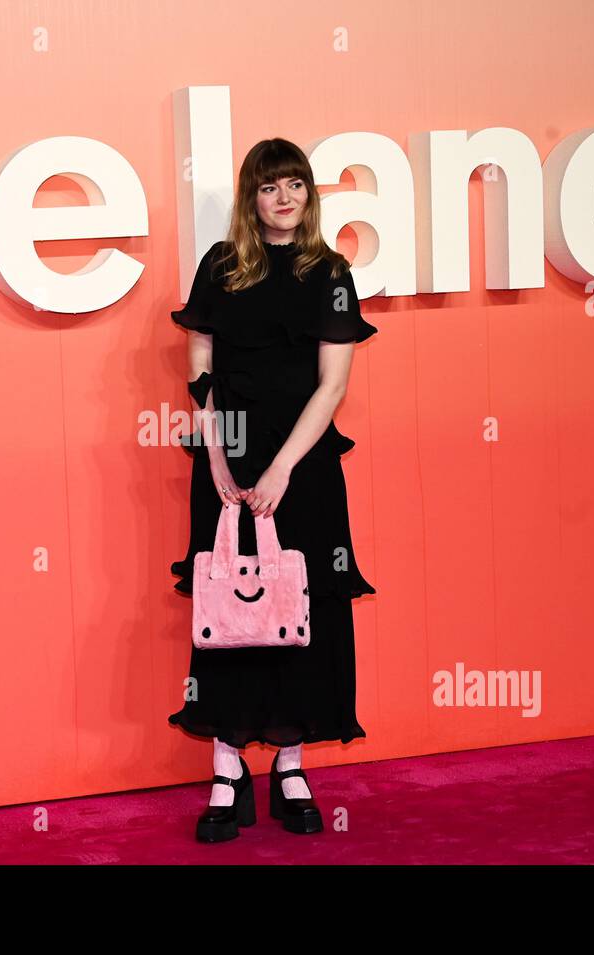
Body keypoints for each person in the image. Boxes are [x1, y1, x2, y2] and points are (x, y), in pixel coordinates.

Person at [168, 138, 378, 842]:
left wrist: (284, 465)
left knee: (300, 605)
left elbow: (335, 384)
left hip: (306, 465)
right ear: (250, 198)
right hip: (227, 460)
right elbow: (200, 363)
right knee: (231, 608)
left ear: (308, 195)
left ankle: (291, 766)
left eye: (294, 185)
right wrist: (219, 457)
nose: (283, 198)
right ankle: (228, 769)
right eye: (268, 187)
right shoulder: (222, 267)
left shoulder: (331, 272)